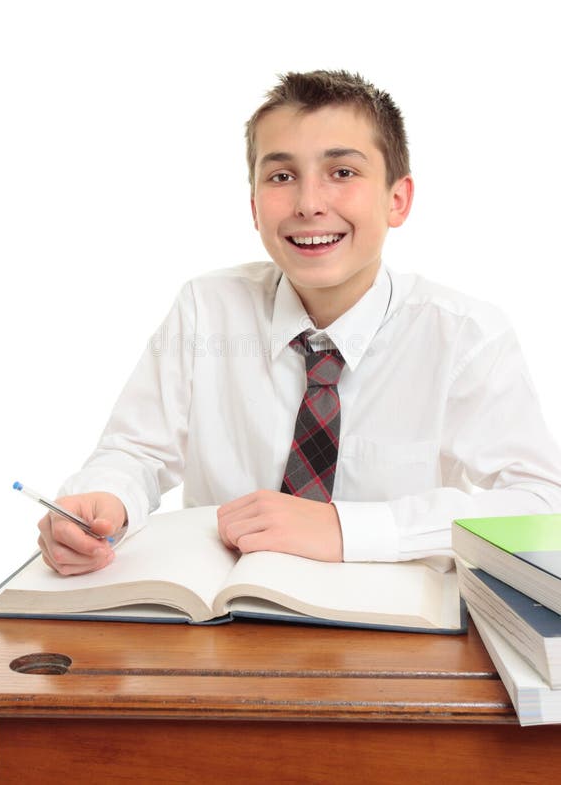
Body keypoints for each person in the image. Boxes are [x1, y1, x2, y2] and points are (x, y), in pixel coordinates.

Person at [38, 70, 561, 576]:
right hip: (224, 621)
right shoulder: (206, 308)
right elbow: (134, 452)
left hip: (394, 631)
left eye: (343, 172)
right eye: (282, 177)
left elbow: (542, 507)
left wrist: (345, 528)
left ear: (397, 199)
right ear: (254, 207)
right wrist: (104, 501)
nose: (309, 204)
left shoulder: (464, 336)